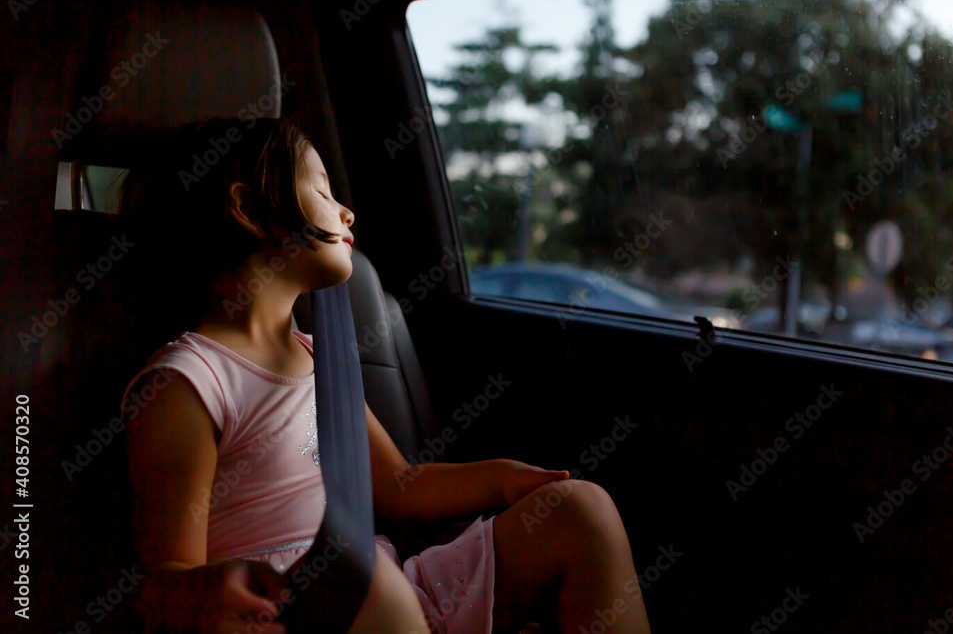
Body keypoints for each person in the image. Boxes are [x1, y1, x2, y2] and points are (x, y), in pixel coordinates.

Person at [118, 117, 651, 633]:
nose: (346, 212)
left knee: (582, 510)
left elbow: (397, 485)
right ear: (247, 209)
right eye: (323, 193)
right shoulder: (187, 384)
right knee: (373, 587)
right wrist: (205, 595)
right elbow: (163, 580)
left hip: (389, 589)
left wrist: (502, 475)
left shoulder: (315, 356)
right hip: (296, 614)